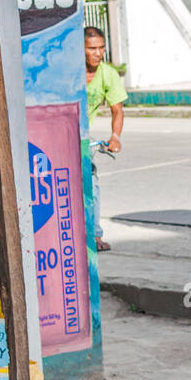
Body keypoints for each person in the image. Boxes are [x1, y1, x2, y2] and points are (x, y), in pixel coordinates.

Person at [84, 26, 126, 252]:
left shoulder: (107, 73)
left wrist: (115, 137)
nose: (97, 53)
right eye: (91, 48)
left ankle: (95, 235)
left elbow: (117, 110)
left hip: (82, 135)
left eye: (101, 48)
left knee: (91, 183)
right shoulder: (69, 69)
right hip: (58, 131)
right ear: (81, 49)